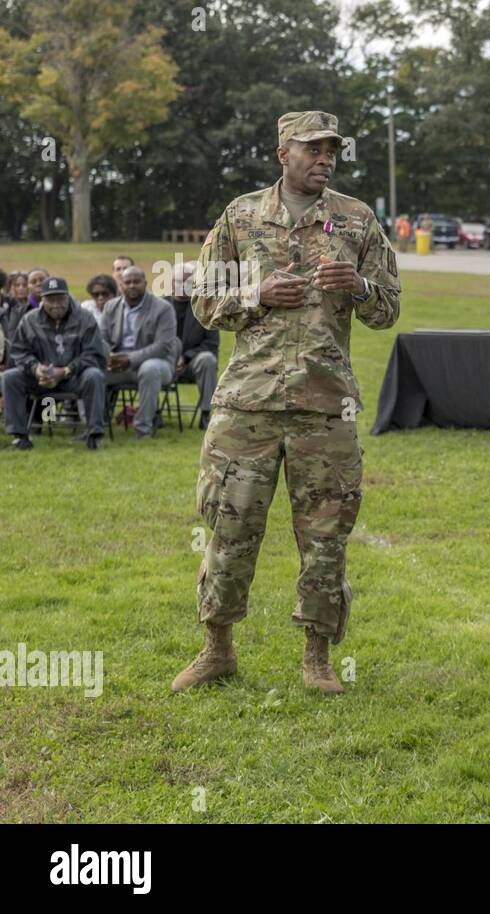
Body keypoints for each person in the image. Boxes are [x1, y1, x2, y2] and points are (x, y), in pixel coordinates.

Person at [172, 110, 400, 695]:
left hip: (326, 406)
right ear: (283, 151)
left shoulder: (356, 220)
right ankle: (217, 646)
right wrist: (257, 293)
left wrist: (360, 286)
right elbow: (202, 300)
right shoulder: (242, 216)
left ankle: (317, 657)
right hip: (247, 403)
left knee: (326, 535)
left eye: (333, 151)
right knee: (229, 524)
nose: (326, 159)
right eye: (314, 149)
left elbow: (388, 310)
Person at [2, 276, 108, 450]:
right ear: (42, 300)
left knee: (94, 375)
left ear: (68, 297)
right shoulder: (30, 320)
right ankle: (19, 436)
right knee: (10, 377)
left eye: (60, 298)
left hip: (74, 377)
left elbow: (94, 354)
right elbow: (19, 352)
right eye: (51, 299)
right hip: (41, 379)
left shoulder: (85, 319)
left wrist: (66, 371)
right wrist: (36, 369)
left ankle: (93, 434)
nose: (56, 304)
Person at [100, 265, 180, 439]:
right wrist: (108, 358)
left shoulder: (163, 308)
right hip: (118, 365)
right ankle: (95, 425)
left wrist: (130, 359)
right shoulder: (110, 307)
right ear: (120, 285)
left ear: (145, 283)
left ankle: (143, 428)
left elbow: (163, 346)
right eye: (127, 282)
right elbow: (102, 339)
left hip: (158, 364)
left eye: (136, 281)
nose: (132, 285)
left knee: (149, 368)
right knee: (92, 371)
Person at [166, 261, 219, 429]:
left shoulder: (205, 308)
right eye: (179, 281)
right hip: (164, 360)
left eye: (188, 282)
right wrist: (172, 358)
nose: (183, 286)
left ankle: (206, 414)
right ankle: (152, 414)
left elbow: (211, 344)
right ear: (171, 283)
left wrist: (186, 358)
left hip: (193, 362)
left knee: (208, 359)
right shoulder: (160, 306)